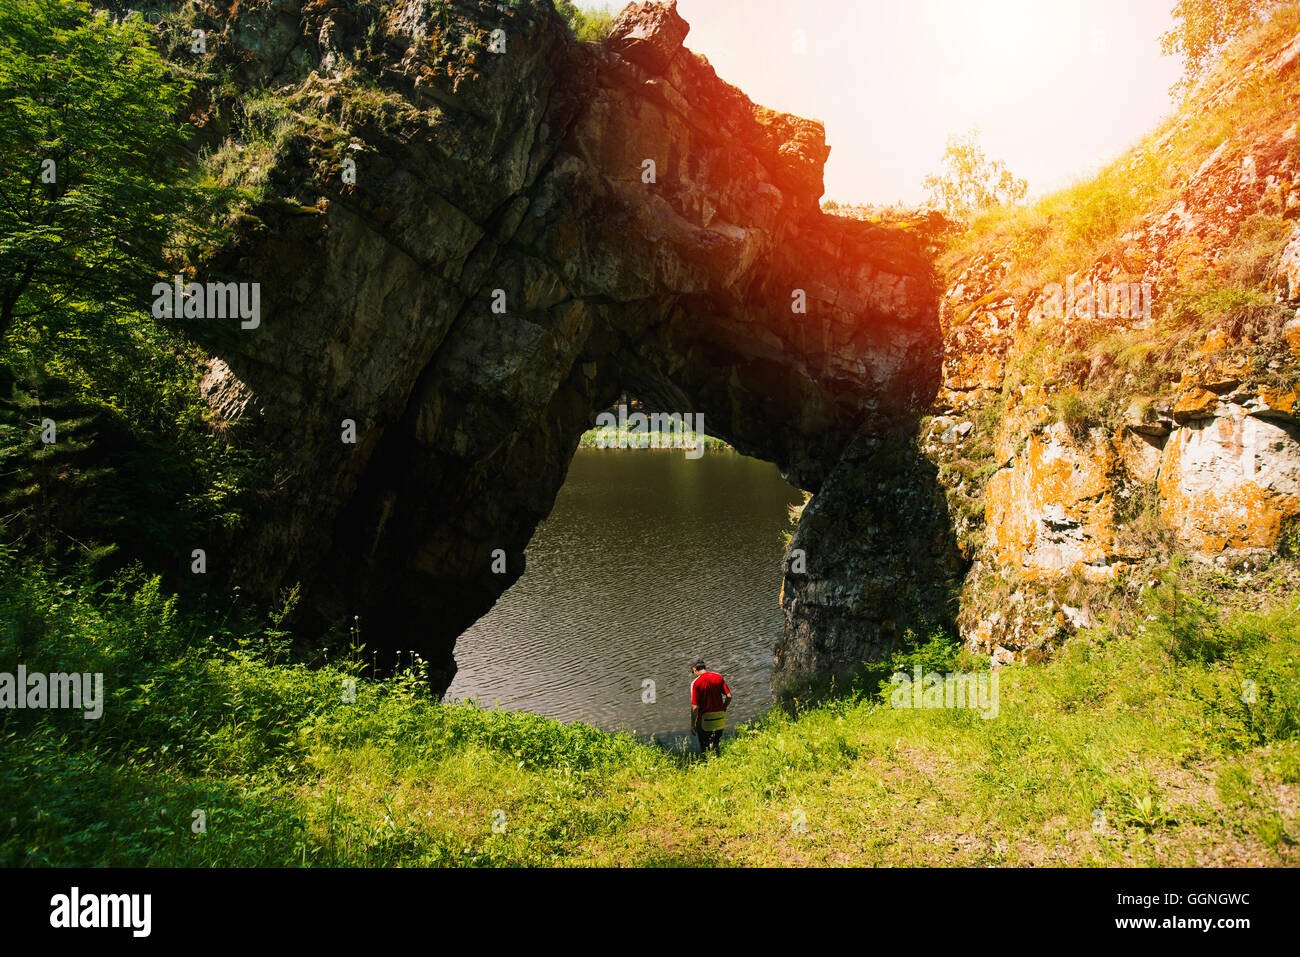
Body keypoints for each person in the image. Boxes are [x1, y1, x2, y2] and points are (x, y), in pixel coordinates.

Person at [689, 658, 731, 756]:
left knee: (705, 747)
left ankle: (706, 763)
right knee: (716, 743)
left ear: (694, 669)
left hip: (705, 721)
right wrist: (724, 707)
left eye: (692, 671)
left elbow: (695, 707)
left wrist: (692, 724)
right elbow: (729, 696)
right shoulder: (718, 677)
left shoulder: (696, 683)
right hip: (720, 718)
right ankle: (719, 760)